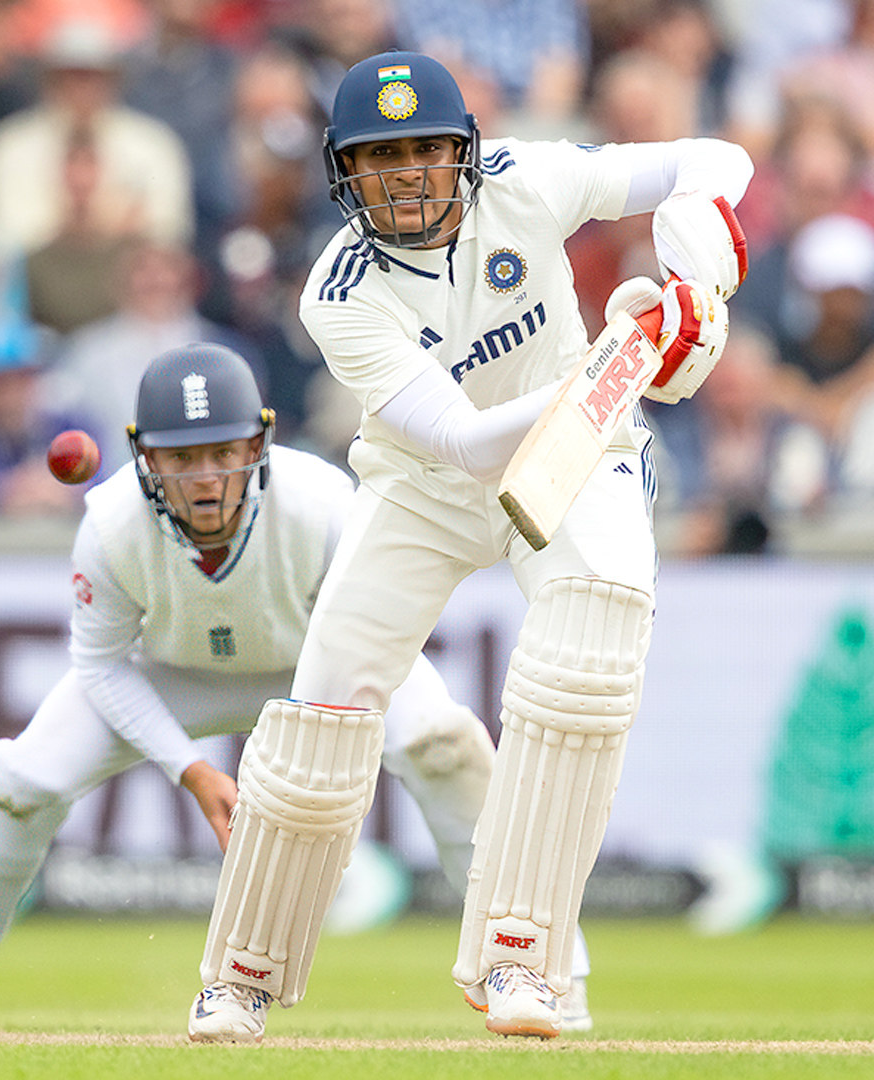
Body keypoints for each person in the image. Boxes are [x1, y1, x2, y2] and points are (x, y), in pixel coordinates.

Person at [185, 52, 747, 1043]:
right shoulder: (339, 290)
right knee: (325, 711)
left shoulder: (529, 182)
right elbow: (461, 438)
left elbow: (718, 161)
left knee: (591, 650)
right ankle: (239, 976)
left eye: (425, 150)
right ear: (343, 175)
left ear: (465, 152)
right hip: (427, 486)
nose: (406, 174)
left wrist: (695, 276)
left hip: (582, 453)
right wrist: (624, 351)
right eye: (379, 156)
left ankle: (522, 962)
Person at [0, 342, 545, 1030]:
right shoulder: (110, 524)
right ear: (146, 458)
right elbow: (100, 667)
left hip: (321, 664)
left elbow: (378, 636)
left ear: (260, 442)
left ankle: (542, 975)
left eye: (224, 453)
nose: (206, 478)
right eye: (182, 459)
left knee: (444, 744)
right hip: (171, 674)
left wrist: (312, 772)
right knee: (19, 781)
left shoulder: (323, 505)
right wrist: (189, 769)